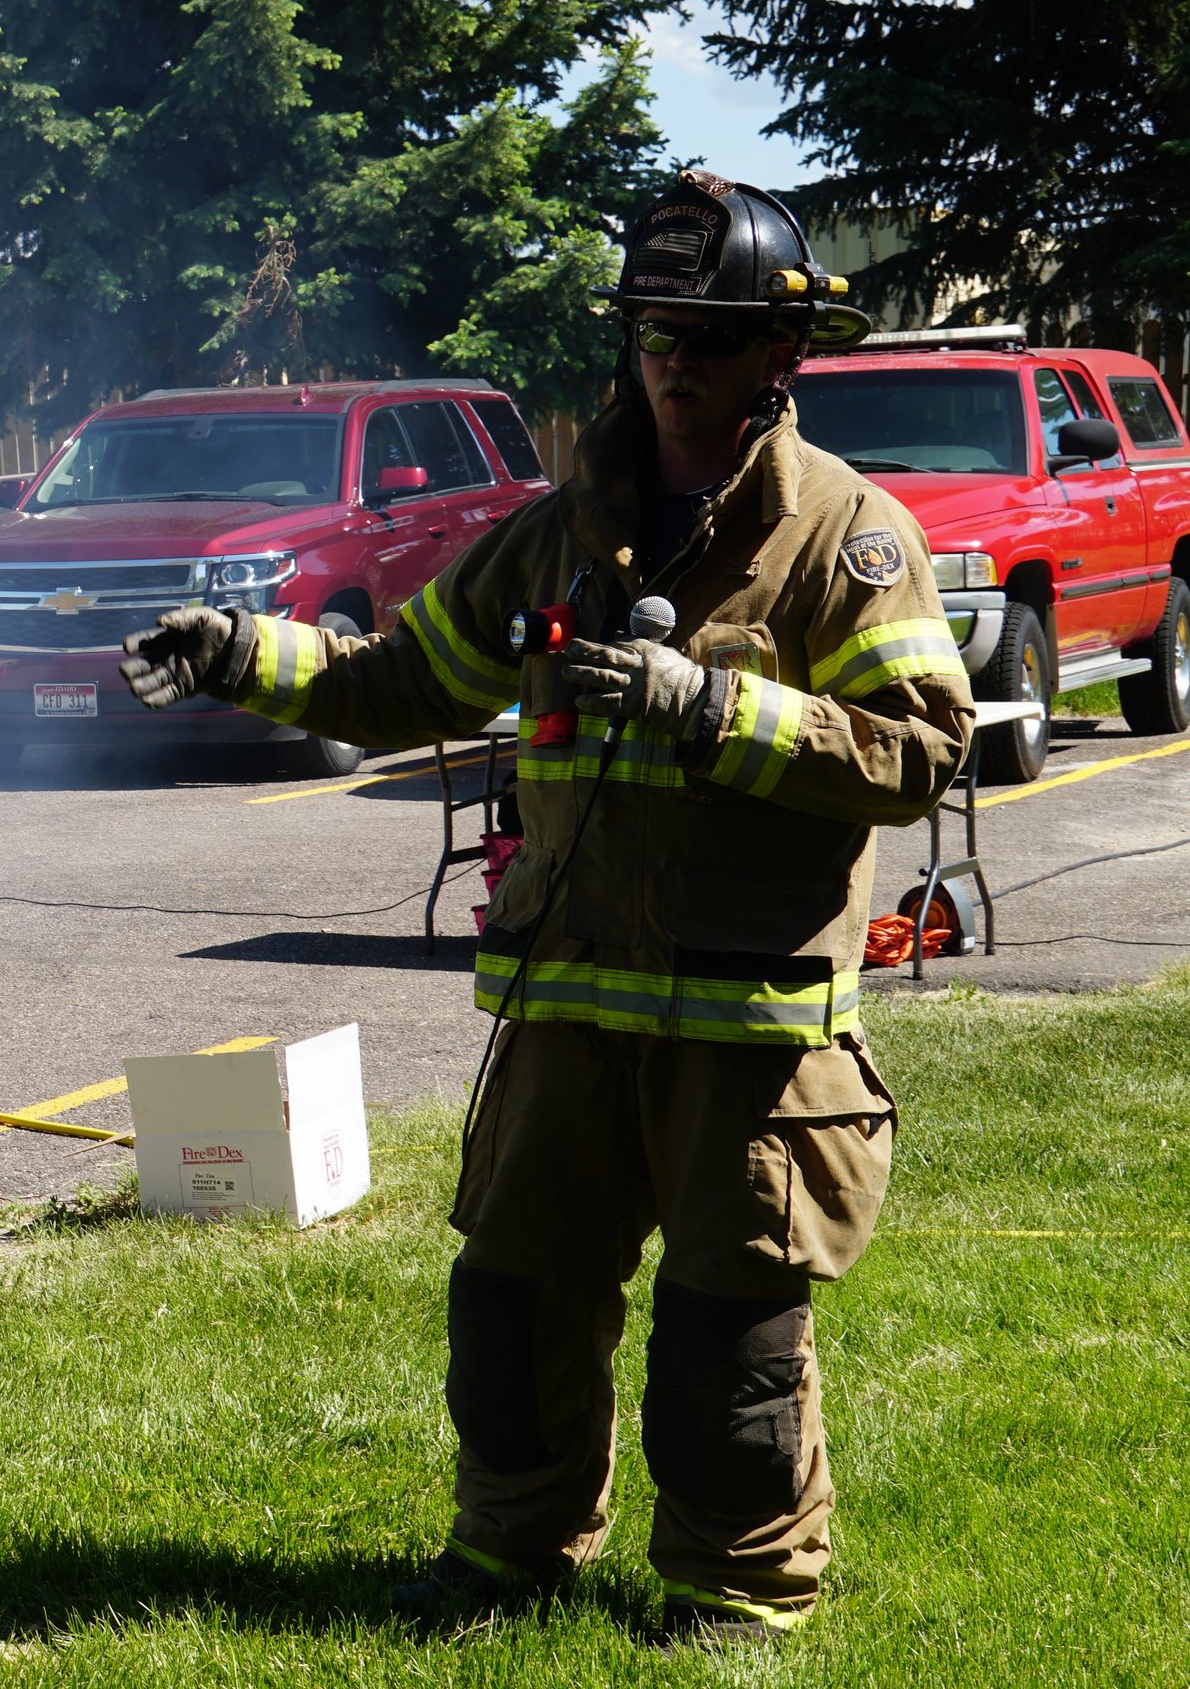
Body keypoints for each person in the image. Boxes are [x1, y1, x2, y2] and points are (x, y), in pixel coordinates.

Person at [120, 170, 974, 1644]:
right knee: (512, 1304)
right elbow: (406, 680)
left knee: (727, 1335)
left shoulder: (844, 535)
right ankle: (509, 1552)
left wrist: (713, 705)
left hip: (749, 1028)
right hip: (569, 1005)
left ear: (781, 353)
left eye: (710, 337)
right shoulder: (559, 532)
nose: (675, 363)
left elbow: (922, 750)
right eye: (654, 331)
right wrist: (238, 652)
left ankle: (734, 1588)